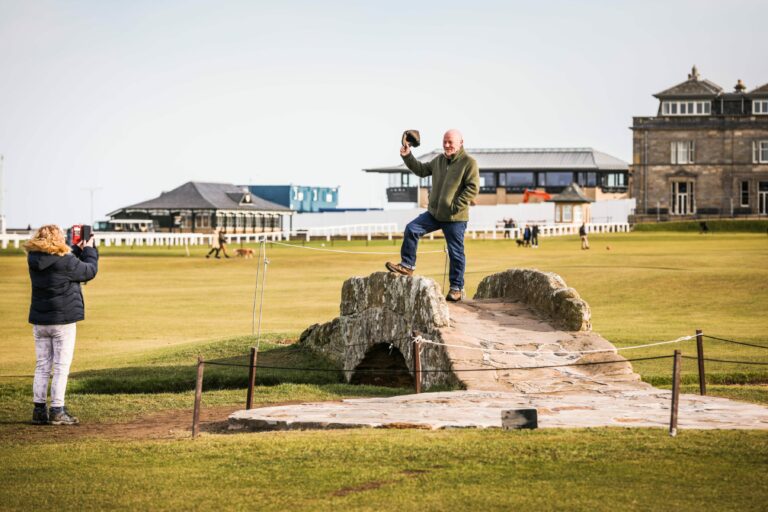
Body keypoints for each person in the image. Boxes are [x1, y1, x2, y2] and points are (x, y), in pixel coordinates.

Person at [385, 129, 479, 302]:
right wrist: (407, 156)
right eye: (445, 142)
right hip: (434, 214)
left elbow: (473, 188)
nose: (447, 145)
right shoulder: (439, 160)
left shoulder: (469, 163)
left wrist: (455, 206)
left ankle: (456, 288)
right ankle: (407, 265)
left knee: (456, 253)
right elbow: (421, 170)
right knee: (412, 229)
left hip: (455, 217)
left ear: (461, 143)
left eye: (450, 142)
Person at [24, 224, 99, 425]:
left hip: (40, 321)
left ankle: (39, 410)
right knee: (60, 367)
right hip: (62, 321)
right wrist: (89, 249)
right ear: (58, 239)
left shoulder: (33, 259)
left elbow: (60, 259)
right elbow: (89, 270)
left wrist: (76, 250)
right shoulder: (65, 261)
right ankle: (57, 410)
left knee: (42, 365)